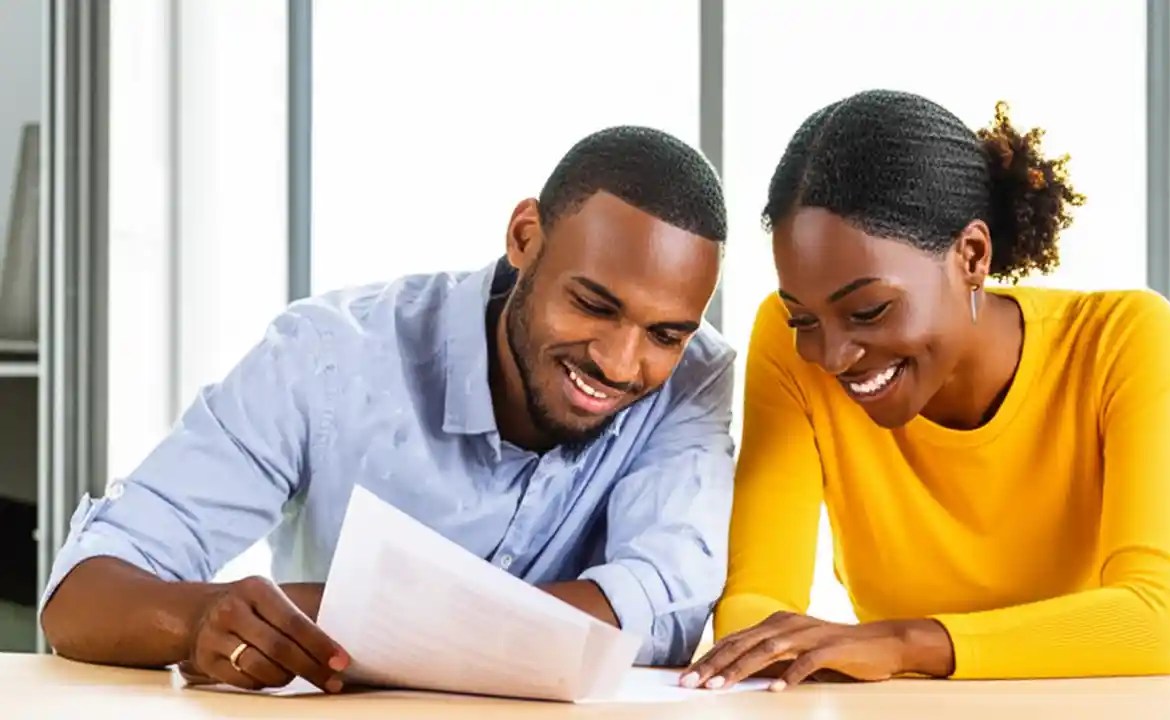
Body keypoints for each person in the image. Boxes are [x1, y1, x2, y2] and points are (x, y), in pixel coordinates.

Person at [40, 126, 738, 693]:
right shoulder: (326, 356)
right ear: (525, 237)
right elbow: (80, 593)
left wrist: (331, 615)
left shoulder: (693, 378)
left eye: (665, 334)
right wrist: (197, 619)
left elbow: (662, 606)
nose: (619, 362)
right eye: (592, 304)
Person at [682, 90, 1170, 690]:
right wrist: (807, 650)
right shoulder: (791, 351)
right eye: (805, 321)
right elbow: (755, 607)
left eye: (870, 310)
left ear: (972, 256)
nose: (835, 355)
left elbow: (1151, 621)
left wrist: (904, 642)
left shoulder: (1120, 341)